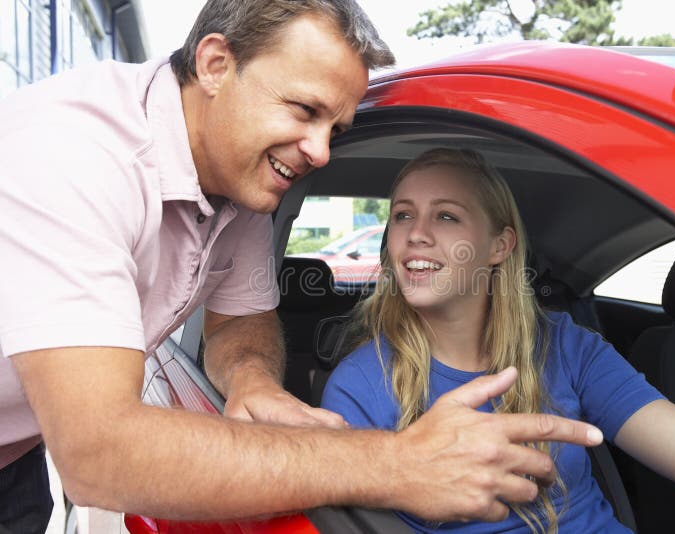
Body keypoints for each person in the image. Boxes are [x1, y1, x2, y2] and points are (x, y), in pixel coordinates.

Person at [0, 2, 605, 532]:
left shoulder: (237, 189)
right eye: (303, 110)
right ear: (215, 64)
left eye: (335, 128)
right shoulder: (72, 154)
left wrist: (251, 381)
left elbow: (240, 321)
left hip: (16, 451)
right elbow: (99, 455)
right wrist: (398, 463)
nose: (320, 152)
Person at [321, 147, 675, 533]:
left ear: (499, 246)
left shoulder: (567, 347)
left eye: (446, 217)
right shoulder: (360, 385)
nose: (416, 234)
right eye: (402, 216)